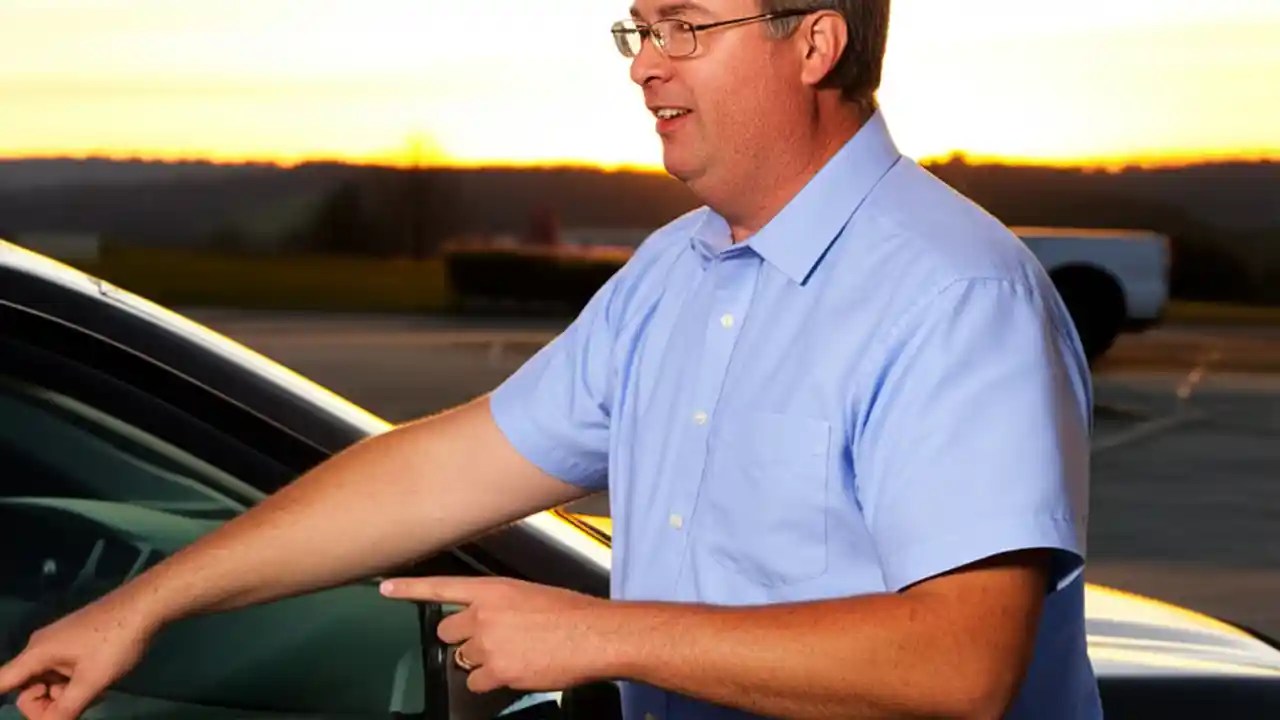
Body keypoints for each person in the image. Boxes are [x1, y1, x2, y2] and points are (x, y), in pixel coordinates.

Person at [0, 0, 1102, 718]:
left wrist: (593, 634)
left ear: (812, 41)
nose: (645, 69)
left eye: (683, 30)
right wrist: (140, 606)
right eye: (638, 33)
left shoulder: (952, 292)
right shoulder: (675, 275)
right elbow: (432, 474)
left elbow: (959, 664)